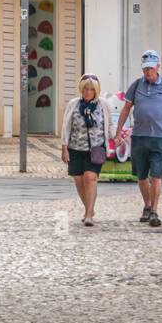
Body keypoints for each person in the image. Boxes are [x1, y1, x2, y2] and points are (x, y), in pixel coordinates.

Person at [116, 50, 162, 228]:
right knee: (141, 177)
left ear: (158, 67)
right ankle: (147, 205)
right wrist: (118, 132)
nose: (148, 72)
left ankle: (154, 211)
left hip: (160, 138)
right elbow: (125, 109)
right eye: (145, 69)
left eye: (151, 68)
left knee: (156, 176)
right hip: (139, 137)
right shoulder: (136, 85)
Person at [60, 74, 114, 226]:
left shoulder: (103, 104)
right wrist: (64, 147)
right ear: (81, 89)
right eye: (85, 89)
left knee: (90, 178)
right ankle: (89, 207)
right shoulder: (74, 104)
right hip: (75, 148)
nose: (88, 92)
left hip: (96, 148)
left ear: (96, 90)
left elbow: (109, 124)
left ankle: (89, 213)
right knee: (79, 180)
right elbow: (66, 126)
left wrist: (115, 138)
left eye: (91, 89)